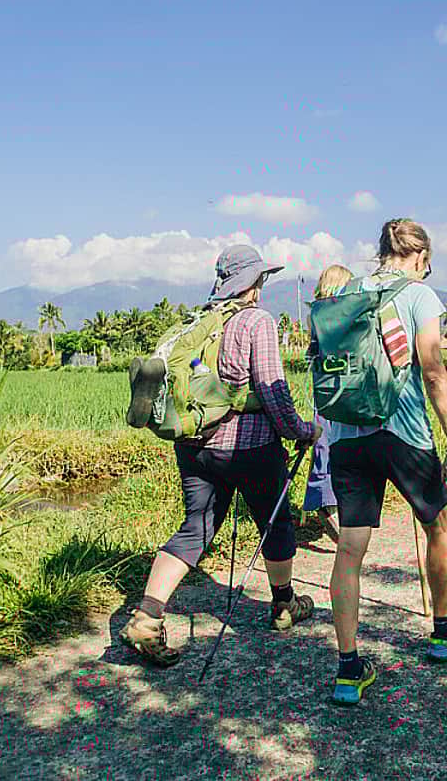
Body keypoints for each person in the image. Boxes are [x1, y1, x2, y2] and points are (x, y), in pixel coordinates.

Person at [119, 245, 319, 667]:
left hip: (193, 447)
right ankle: (283, 605)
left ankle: (147, 614)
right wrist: (301, 431)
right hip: (250, 448)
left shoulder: (199, 324)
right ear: (253, 282)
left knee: (196, 527)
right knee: (275, 521)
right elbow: (271, 389)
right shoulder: (256, 320)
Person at [325, 218, 447, 706]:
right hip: (403, 434)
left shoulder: (346, 290)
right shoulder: (418, 295)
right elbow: (432, 370)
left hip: (347, 434)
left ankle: (349, 669)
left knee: (350, 549)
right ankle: (442, 632)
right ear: (420, 256)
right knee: (439, 527)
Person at [301, 264, 354, 543]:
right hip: (340, 390)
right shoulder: (336, 316)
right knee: (336, 444)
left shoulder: (315, 314)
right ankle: (328, 503)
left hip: (322, 391)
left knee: (325, 444)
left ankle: (325, 499)